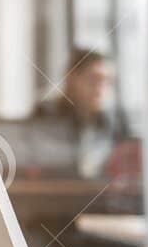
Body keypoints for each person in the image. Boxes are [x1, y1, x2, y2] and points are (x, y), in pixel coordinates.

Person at [30, 47, 128, 178]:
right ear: (71, 78)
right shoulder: (45, 114)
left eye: (107, 82)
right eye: (94, 79)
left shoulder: (110, 124)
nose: (100, 89)